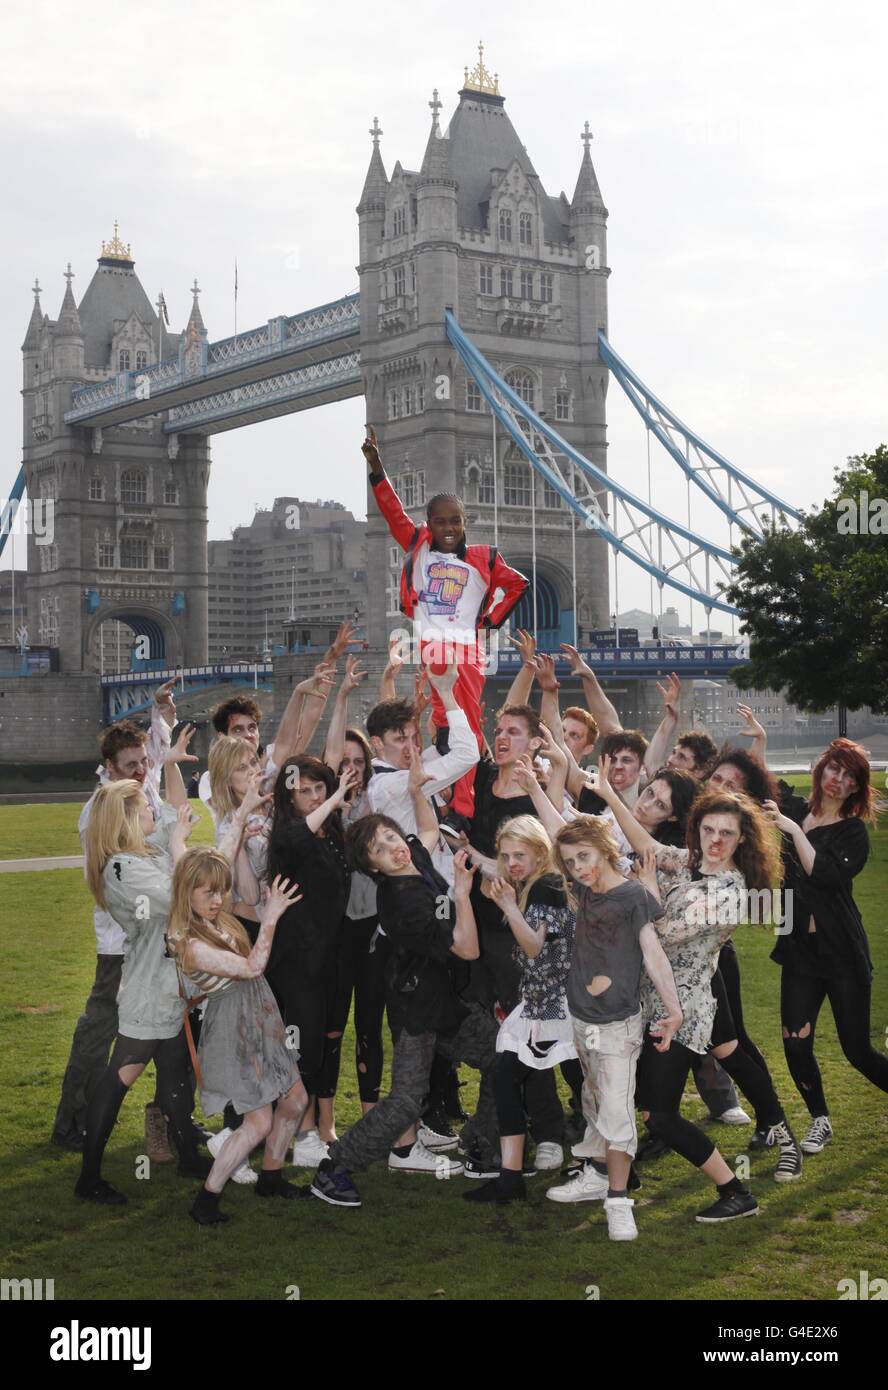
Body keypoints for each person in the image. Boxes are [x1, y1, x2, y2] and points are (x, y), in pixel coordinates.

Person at [598, 772, 802, 1211]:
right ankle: (617, 1175)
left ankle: (735, 1191)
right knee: (636, 1100)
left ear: (742, 837)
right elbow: (649, 847)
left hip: (682, 1011)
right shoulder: (692, 863)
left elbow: (659, 933)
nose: (714, 840)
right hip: (650, 1001)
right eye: (708, 829)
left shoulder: (728, 893)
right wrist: (609, 795)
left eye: (726, 833)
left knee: (661, 1114)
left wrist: (648, 887)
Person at [310, 749, 497, 1207]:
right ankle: (335, 1170)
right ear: (373, 867)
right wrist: (464, 895)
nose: (393, 846)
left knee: (501, 1059)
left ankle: (482, 1145)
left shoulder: (410, 856)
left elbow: (427, 831)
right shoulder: (403, 905)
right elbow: (468, 948)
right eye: (379, 848)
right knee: (408, 1100)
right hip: (419, 1010)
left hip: (446, 1001)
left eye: (391, 836)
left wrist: (416, 791)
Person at [53, 684, 195, 1163]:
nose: (140, 770)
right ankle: (75, 1125)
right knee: (105, 1034)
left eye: (142, 763)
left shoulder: (138, 786)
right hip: (122, 944)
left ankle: (168, 1127)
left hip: (155, 936)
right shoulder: (103, 808)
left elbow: (156, 751)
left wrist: (162, 714)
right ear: (108, 767)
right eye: (130, 765)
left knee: (162, 1035)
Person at [363, 424, 527, 823]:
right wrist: (376, 468)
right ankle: (444, 796)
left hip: (465, 651)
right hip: (433, 648)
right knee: (440, 722)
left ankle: (463, 807)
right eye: (441, 522)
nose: (450, 529)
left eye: (457, 521)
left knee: (466, 727)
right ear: (429, 523)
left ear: (465, 521)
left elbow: (517, 585)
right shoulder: (417, 546)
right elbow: (392, 513)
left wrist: (488, 624)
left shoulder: (484, 557)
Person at [545, 817, 683, 1242]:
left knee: (618, 1113)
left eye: (584, 857)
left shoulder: (632, 895)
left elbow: (653, 953)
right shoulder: (586, 890)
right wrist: (535, 783)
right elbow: (560, 825)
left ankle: (619, 1202)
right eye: (569, 863)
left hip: (618, 1025)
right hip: (581, 1019)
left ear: (606, 849)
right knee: (593, 1098)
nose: (578, 868)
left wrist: (674, 1011)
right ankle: (598, 1175)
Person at [75, 782, 209, 1205]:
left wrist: (169, 765)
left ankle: (188, 1155)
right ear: (127, 818)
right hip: (147, 991)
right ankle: (89, 1179)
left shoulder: (142, 854)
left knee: (173, 1076)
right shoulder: (121, 868)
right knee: (121, 1077)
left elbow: (174, 820)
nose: (153, 810)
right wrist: (178, 842)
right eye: (144, 807)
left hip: (166, 987)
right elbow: (180, 897)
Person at [167, 848, 308, 1224]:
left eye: (221, 891)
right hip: (234, 1027)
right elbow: (251, 966)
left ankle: (272, 1177)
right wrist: (273, 916)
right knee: (258, 1123)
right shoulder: (188, 943)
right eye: (208, 892)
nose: (217, 900)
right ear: (186, 891)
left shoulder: (217, 922)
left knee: (295, 1098)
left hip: (260, 1014)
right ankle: (207, 1200)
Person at [765, 738, 888, 1154]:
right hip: (799, 953)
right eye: (834, 769)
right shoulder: (796, 809)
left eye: (849, 776)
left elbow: (824, 875)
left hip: (842, 956)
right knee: (795, 1044)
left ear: (856, 788)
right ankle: (820, 1119)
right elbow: (759, 785)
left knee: (857, 1050)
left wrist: (794, 829)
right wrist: (763, 741)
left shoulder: (853, 833)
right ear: (822, 768)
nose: (838, 780)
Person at [464, 703, 568, 1171]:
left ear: (533, 744)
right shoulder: (481, 782)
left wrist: (482, 862)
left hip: (524, 924)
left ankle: (549, 1131)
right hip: (479, 925)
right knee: (497, 1031)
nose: (503, 737)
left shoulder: (537, 792)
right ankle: (500, 1125)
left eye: (515, 732)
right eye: (499, 730)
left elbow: (559, 849)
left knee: (532, 1028)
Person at [463, 816, 577, 1206]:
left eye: (519, 855)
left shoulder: (545, 885)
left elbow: (533, 947)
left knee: (580, 1082)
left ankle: (610, 1170)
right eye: (506, 855)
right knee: (512, 1076)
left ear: (540, 853)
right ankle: (512, 1177)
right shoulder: (537, 883)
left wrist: (507, 905)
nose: (511, 863)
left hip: (557, 1006)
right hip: (545, 1002)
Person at [265, 757, 358, 1166]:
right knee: (300, 1045)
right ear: (289, 795)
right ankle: (298, 1135)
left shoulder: (332, 832)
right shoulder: (286, 836)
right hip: (297, 959)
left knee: (321, 1043)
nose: (315, 797)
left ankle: (298, 1133)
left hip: (332, 955)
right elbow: (296, 839)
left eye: (320, 788)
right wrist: (336, 798)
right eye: (305, 791)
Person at [319, 660, 394, 1143]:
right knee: (329, 1027)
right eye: (343, 763)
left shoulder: (377, 804)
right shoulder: (322, 814)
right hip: (331, 935)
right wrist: (341, 697)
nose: (351, 770)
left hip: (373, 933)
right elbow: (325, 764)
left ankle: (368, 1120)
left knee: (370, 1023)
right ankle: (323, 1125)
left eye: (358, 763)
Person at [366, 660, 479, 886]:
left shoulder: (403, 771)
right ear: (377, 743)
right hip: (423, 891)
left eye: (412, 736)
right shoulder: (392, 784)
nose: (411, 747)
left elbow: (445, 749)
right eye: (400, 740)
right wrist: (446, 692)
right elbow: (467, 754)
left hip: (439, 884)